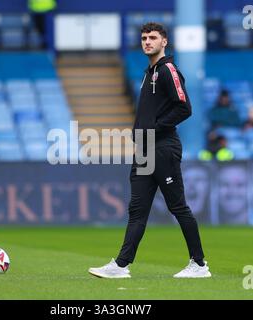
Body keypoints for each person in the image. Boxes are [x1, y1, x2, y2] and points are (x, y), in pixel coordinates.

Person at [88, 22, 211, 279]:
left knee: (178, 207)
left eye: (152, 37)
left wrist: (155, 128)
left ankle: (199, 265)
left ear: (164, 41)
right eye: (144, 38)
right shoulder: (149, 72)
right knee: (137, 209)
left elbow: (184, 108)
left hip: (163, 148)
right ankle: (121, 266)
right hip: (144, 149)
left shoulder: (168, 70)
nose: (147, 41)